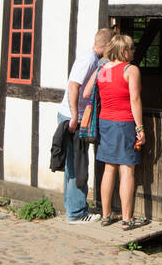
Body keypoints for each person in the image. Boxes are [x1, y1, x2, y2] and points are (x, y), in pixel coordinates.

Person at [84, 33, 147, 229]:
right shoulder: (130, 70)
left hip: (105, 123)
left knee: (109, 168)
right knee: (127, 169)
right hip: (124, 123)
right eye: (131, 48)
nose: (133, 51)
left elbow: (87, 93)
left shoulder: (102, 69)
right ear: (124, 50)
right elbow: (135, 100)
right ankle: (127, 219)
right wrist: (140, 128)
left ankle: (106, 215)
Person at [57, 27, 111, 222]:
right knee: (77, 164)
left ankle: (75, 209)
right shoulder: (88, 60)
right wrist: (74, 116)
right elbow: (73, 86)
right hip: (74, 118)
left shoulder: (94, 59)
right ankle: (77, 213)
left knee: (76, 163)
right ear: (106, 45)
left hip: (78, 117)